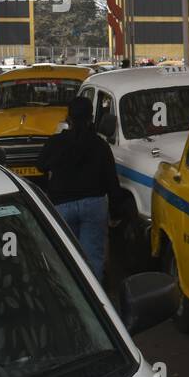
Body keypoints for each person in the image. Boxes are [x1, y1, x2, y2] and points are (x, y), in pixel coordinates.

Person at [37, 97, 123, 280]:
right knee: (93, 260)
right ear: (91, 118)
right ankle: (95, 301)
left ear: (69, 119)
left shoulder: (56, 142)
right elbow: (111, 182)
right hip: (94, 205)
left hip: (62, 205)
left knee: (66, 259)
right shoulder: (100, 145)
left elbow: (40, 164)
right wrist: (115, 213)